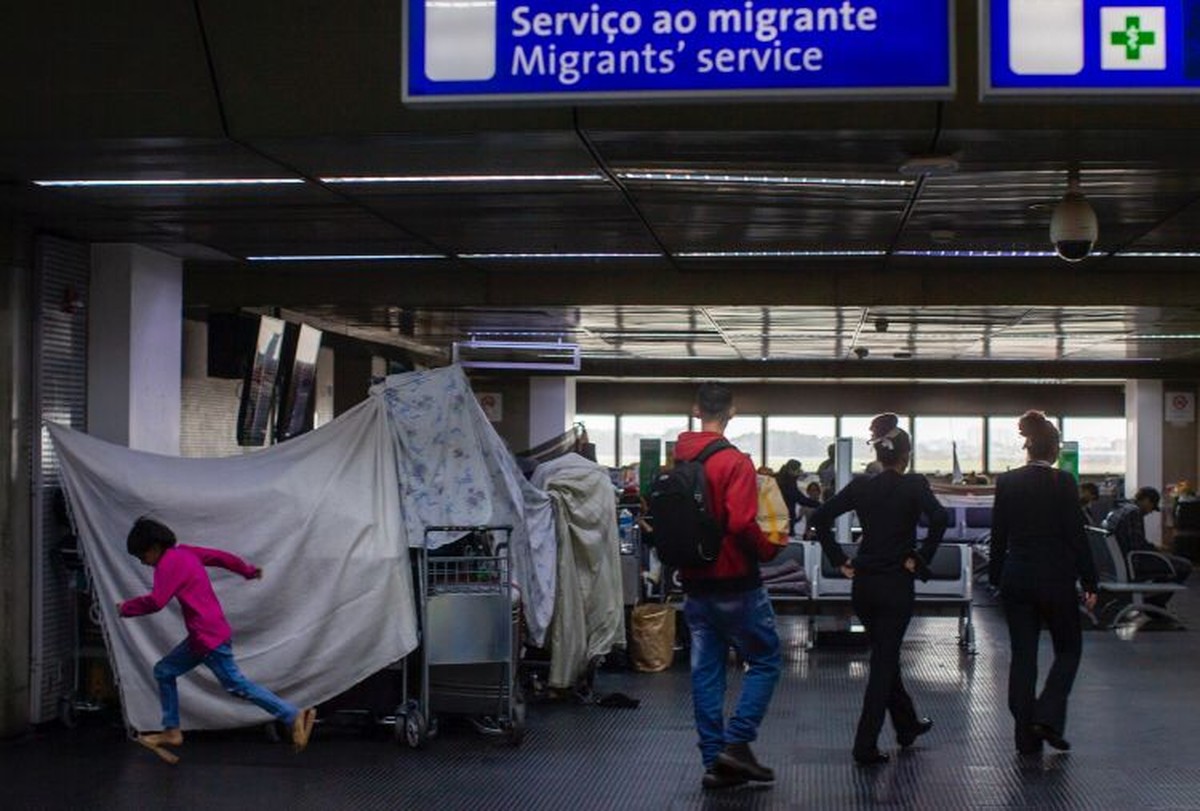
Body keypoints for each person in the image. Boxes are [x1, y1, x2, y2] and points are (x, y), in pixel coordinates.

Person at [117, 517, 316, 762]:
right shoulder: (186, 553)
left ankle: (291, 714)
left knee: (236, 684)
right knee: (164, 670)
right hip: (205, 634)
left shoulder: (167, 564)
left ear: (155, 547)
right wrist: (247, 570)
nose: (143, 563)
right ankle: (172, 730)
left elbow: (157, 601)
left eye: (142, 556)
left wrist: (125, 608)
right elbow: (221, 557)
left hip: (207, 638)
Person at [810, 414, 948, 765]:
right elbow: (940, 519)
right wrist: (921, 558)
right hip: (895, 584)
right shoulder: (915, 485)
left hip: (865, 585)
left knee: (886, 656)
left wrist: (840, 559)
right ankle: (865, 744)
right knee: (884, 661)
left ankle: (907, 726)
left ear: (879, 455)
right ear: (907, 456)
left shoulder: (860, 487)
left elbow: (819, 518)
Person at [675, 382, 783, 791]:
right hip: (736, 582)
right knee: (767, 660)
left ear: (695, 408)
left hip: (695, 583)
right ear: (732, 412)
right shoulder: (734, 462)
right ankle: (738, 743)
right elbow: (739, 523)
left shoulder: (679, 458)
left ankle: (714, 762)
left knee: (706, 673)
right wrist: (767, 549)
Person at [989, 412, 1098, 756]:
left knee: (1023, 657)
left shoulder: (1007, 483)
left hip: (1016, 578)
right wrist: (1091, 580)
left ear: (1028, 447)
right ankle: (1047, 715)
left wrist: (996, 577)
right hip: (1055, 580)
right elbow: (1076, 536)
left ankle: (1026, 739)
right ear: (1053, 451)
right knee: (1069, 648)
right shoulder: (1063, 482)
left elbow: (998, 536)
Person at [1102, 486, 1193, 606]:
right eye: (1152, 506)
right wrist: (1158, 550)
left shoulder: (1119, 510)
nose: (1150, 511)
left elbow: (1135, 542)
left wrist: (1155, 549)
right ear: (1145, 499)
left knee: (1167, 563)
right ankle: (1154, 602)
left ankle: (1154, 600)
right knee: (1184, 565)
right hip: (1132, 563)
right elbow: (1138, 546)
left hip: (1118, 563)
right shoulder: (1133, 512)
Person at [775, 459, 821, 536]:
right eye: (798, 470)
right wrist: (818, 504)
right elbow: (799, 498)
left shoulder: (781, 480)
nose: (800, 472)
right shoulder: (787, 483)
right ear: (791, 470)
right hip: (785, 517)